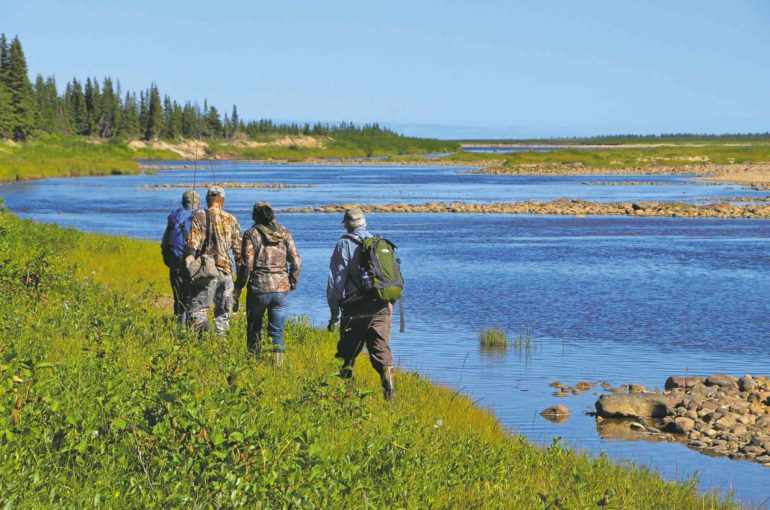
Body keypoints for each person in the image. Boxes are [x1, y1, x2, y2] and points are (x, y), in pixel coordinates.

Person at [327, 207, 396, 401]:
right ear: (364, 222)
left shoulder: (344, 244)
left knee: (346, 354)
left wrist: (334, 313)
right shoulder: (379, 243)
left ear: (347, 225)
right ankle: (390, 397)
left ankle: (347, 398)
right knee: (381, 350)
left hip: (355, 307)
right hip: (383, 305)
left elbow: (336, 283)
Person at [234, 201, 301, 366]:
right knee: (277, 332)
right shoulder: (285, 233)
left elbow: (247, 266)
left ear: (255, 215)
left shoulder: (251, 234)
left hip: (258, 289)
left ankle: (253, 363)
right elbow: (297, 262)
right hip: (281, 289)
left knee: (254, 329)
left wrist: (239, 288)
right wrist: (292, 282)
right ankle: (278, 366)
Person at [185, 185, 242, 335]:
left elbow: (193, 242)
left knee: (197, 312)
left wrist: (189, 257)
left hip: (206, 271)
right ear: (222, 201)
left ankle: (205, 339)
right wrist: (240, 279)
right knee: (223, 317)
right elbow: (238, 251)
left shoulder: (199, 215)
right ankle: (220, 347)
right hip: (226, 272)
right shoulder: (232, 219)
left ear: (206, 200)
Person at [160, 190, 200, 324]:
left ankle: (178, 328)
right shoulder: (197, 217)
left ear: (183, 202)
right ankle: (188, 331)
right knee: (190, 299)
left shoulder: (174, 217)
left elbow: (164, 242)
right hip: (191, 265)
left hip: (174, 263)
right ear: (197, 203)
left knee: (178, 299)